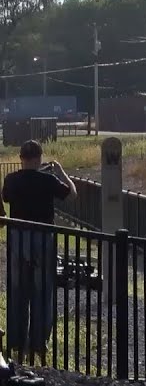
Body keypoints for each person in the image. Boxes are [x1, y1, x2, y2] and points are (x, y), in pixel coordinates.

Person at [2, 140, 76, 367]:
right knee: (42, 291)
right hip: (43, 238)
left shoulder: (11, 179)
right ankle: (38, 343)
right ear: (39, 158)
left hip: (17, 237)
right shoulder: (48, 180)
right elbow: (72, 194)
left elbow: (5, 198)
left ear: (21, 157)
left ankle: (15, 342)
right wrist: (61, 171)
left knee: (17, 290)